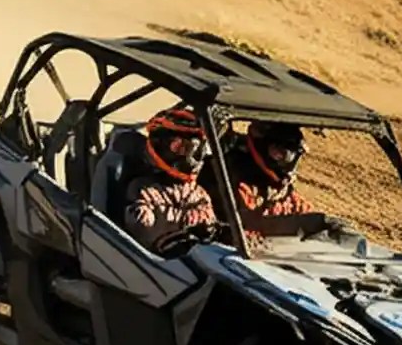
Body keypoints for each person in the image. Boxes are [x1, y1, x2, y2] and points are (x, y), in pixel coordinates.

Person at [205, 121, 347, 244]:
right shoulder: (234, 182)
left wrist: (323, 224)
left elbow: (301, 212)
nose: (286, 162)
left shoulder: (283, 191)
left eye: (292, 156)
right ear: (261, 147)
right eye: (279, 153)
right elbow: (247, 227)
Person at [123, 107, 221, 257]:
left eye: (195, 150)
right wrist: (186, 221)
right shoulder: (142, 188)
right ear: (159, 144)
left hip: (198, 261)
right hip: (161, 266)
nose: (189, 158)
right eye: (180, 147)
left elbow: (209, 221)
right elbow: (145, 228)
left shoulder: (197, 192)